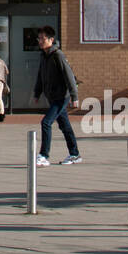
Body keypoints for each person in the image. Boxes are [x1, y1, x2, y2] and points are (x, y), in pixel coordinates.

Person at [32, 26, 80, 166]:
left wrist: (74, 96)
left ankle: (44, 155)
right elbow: (40, 76)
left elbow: (69, 75)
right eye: (39, 38)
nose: (40, 41)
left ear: (51, 40)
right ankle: (75, 154)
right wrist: (37, 92)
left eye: (43, 38)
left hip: (61, 97)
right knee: (65, 126)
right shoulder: (44, 56)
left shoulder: (58, 55)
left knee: (46, 122)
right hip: (52, 96)